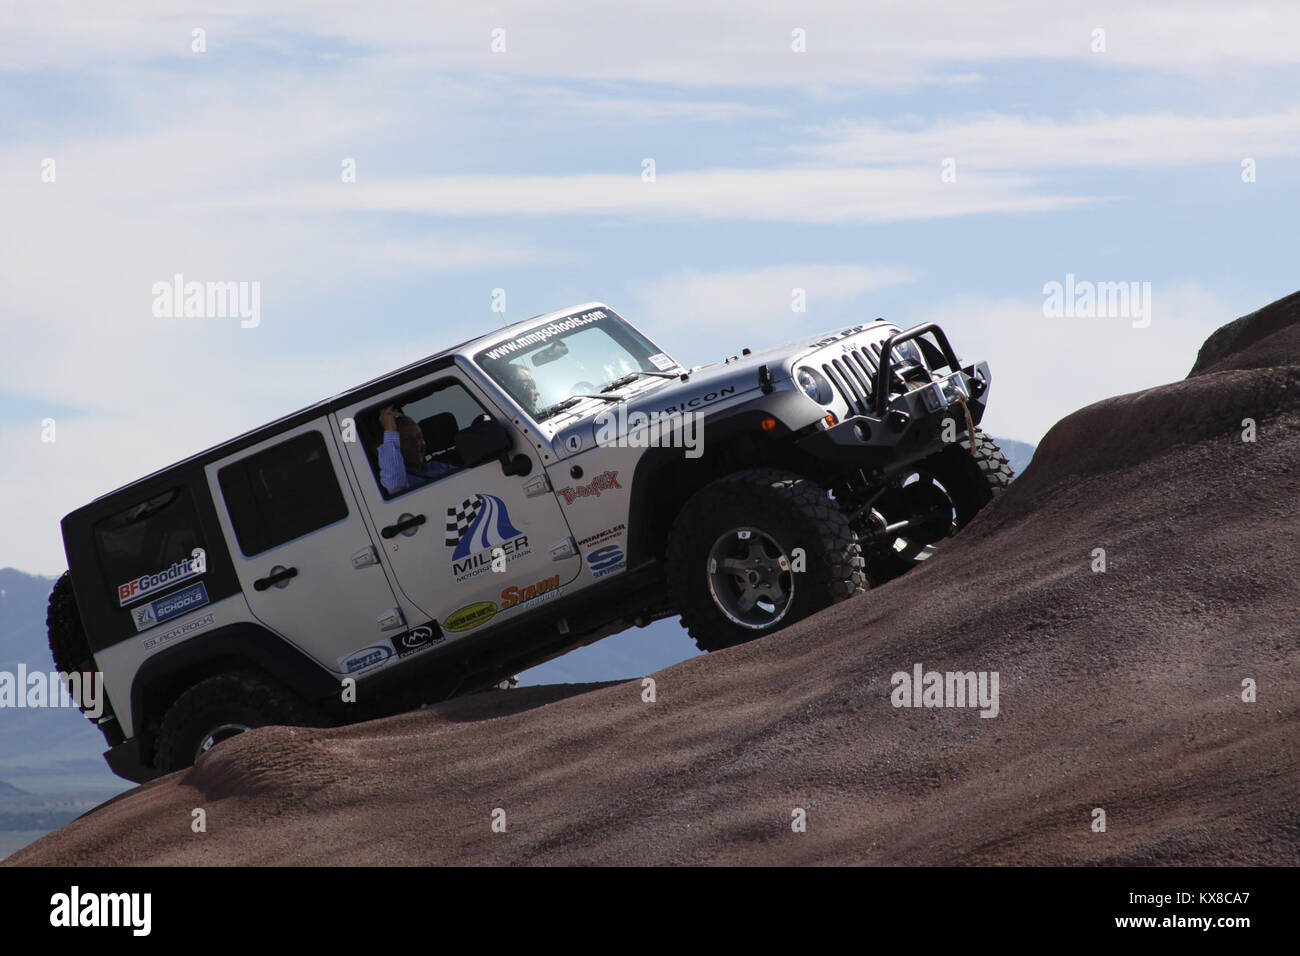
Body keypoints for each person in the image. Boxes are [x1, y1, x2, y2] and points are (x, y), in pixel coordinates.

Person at [377, 404, 458, 495]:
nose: (417, 443)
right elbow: (394, 485)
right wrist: (390, 431)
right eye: (407, 439)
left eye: (419, 437)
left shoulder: (437, 466)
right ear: (396, 447)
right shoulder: (402, 480)